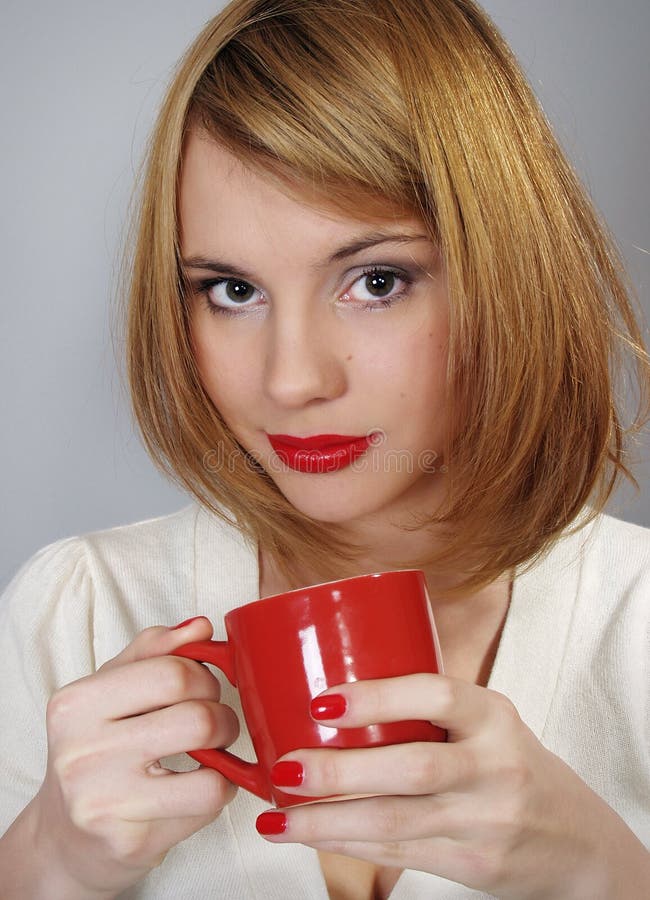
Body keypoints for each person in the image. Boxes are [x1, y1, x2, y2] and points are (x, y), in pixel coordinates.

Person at [1, 0, 649, 897]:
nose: (292, 379)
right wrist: (47, 860)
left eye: (375, 281)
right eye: (231, 290)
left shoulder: (638, 624)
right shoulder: (76, 612)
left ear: (506, 274)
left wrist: (604, 871)